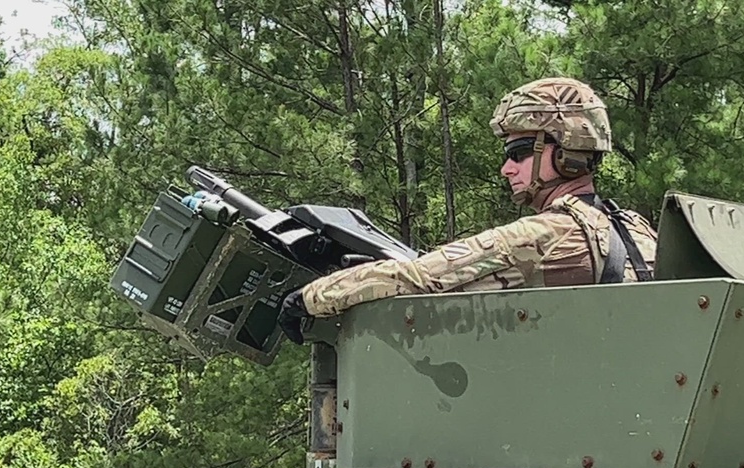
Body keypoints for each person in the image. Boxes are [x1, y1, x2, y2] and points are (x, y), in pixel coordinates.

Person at [277, 76, 658, 344]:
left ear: (565, 152)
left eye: (519, 153)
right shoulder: (637, 229)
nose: (506, 168)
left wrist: (310, 297)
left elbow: (419, 277)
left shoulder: (542, 235)